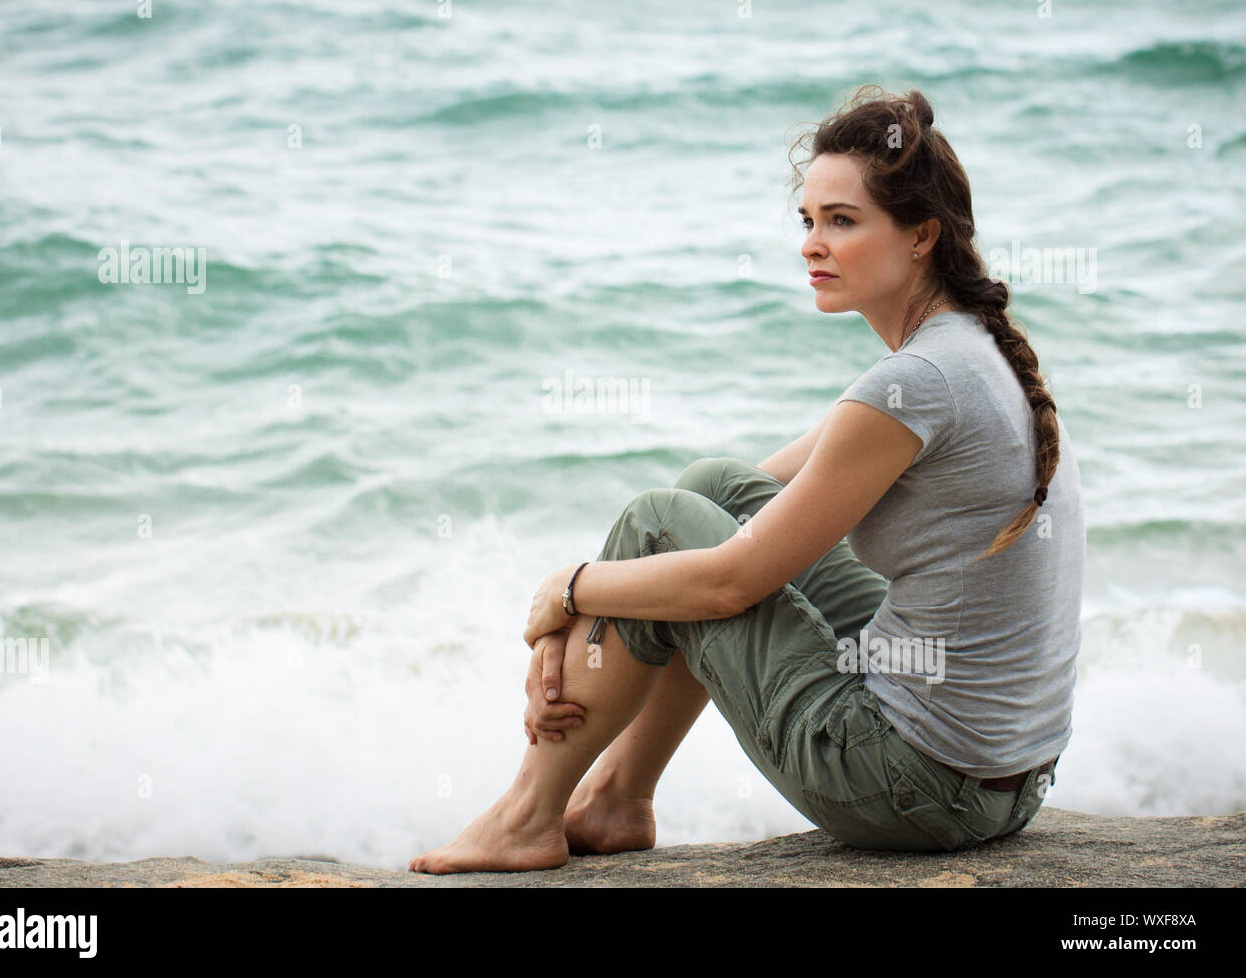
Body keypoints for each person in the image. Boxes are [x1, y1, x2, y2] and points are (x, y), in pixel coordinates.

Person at [408, 85, 1084, 874]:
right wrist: (594, 610)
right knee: (702, 493)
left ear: (920, 236)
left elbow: (729, 581)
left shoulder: (917, 383)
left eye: (842, 220)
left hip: (916, 783)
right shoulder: (965, 352)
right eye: (808, 220)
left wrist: (571, 589)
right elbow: (732, 499)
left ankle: (529, 814)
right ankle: (618, 794)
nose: (811, 244)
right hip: (1007, 780)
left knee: (661, 523)